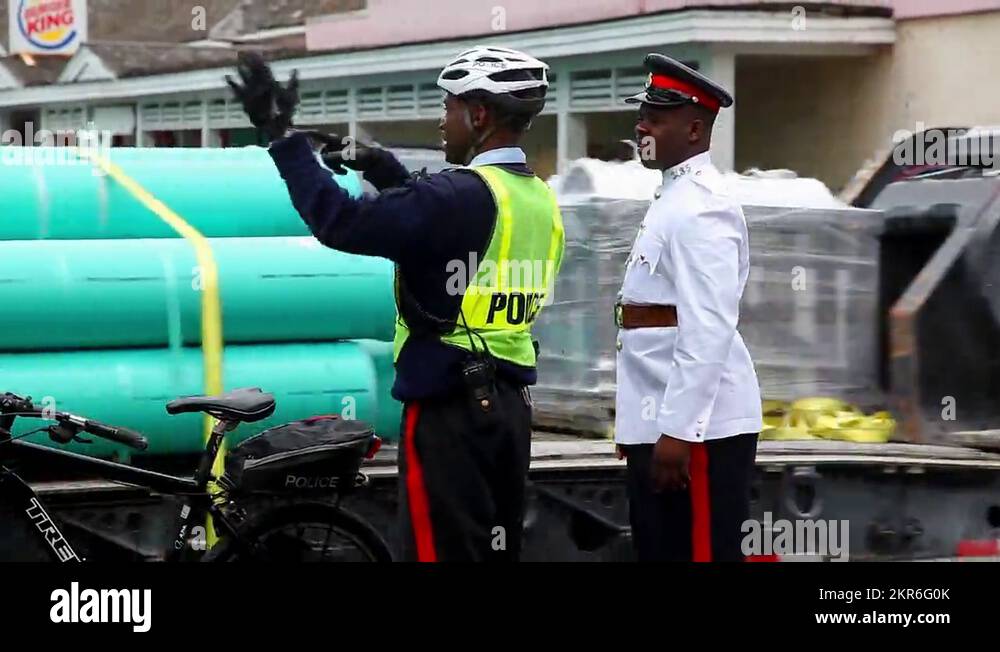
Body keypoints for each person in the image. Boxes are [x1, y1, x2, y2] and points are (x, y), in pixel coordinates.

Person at [225, 47, 565, 562]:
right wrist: (380, 165)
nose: (442, 120)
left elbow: (340, 220)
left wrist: (281, 139)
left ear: (479, 116)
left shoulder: (458, 196)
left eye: (449, 107)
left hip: (450, 412)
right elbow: (449, 227)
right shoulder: (534, 197)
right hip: (509, 408)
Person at [614, 53, 763, 562]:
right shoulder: (674, 197)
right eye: (643, 115)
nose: (641, 126)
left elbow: (708, 328)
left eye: (655, 118)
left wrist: (677, 432)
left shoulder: (703, 207)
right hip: (663, 419)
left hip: (700, 430)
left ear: (695, 128)